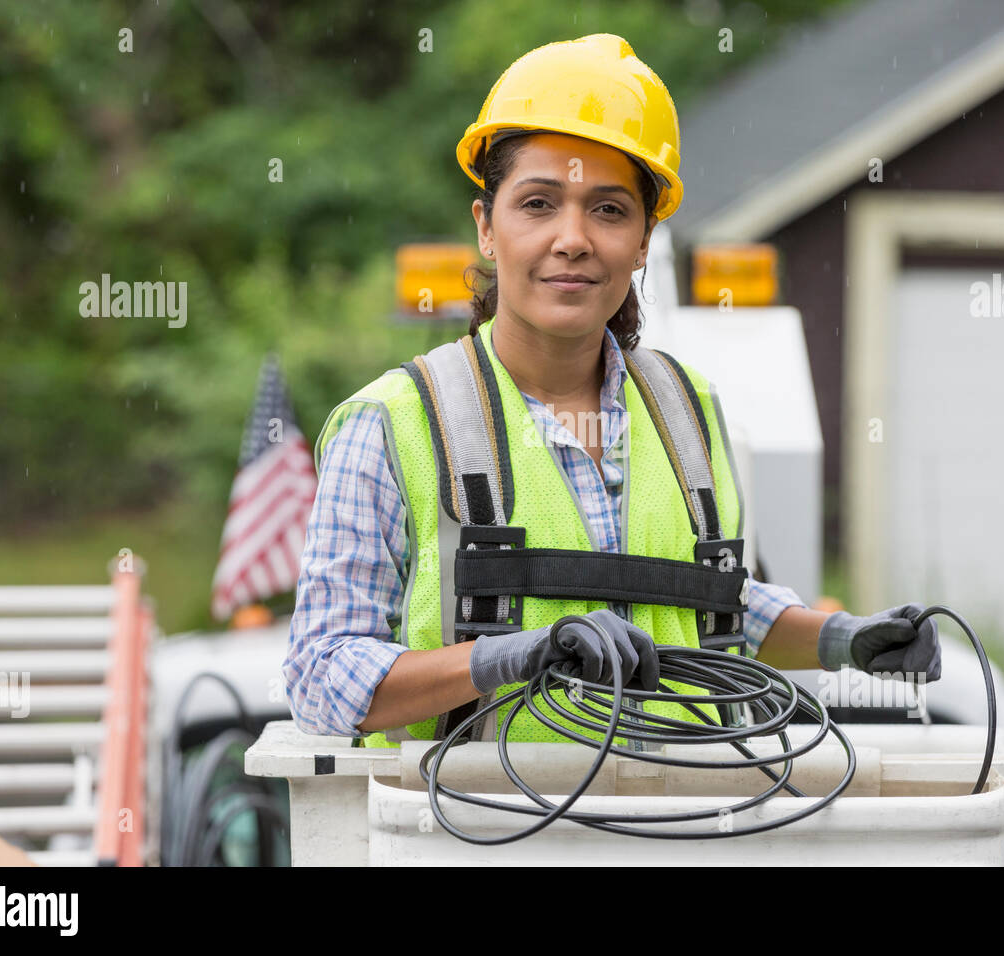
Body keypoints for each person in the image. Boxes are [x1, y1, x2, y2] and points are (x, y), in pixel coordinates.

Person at [283, 34, 940, 745]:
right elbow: (322, 678)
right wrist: (505, 657)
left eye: (608, 210)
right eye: (537, 203)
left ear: (644, 241)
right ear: (487, 228)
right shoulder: (392, 426)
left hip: (687, 829)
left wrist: (845, 639)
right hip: (473, 841)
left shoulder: (691, 413)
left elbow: (719, 611)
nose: (573, 238)